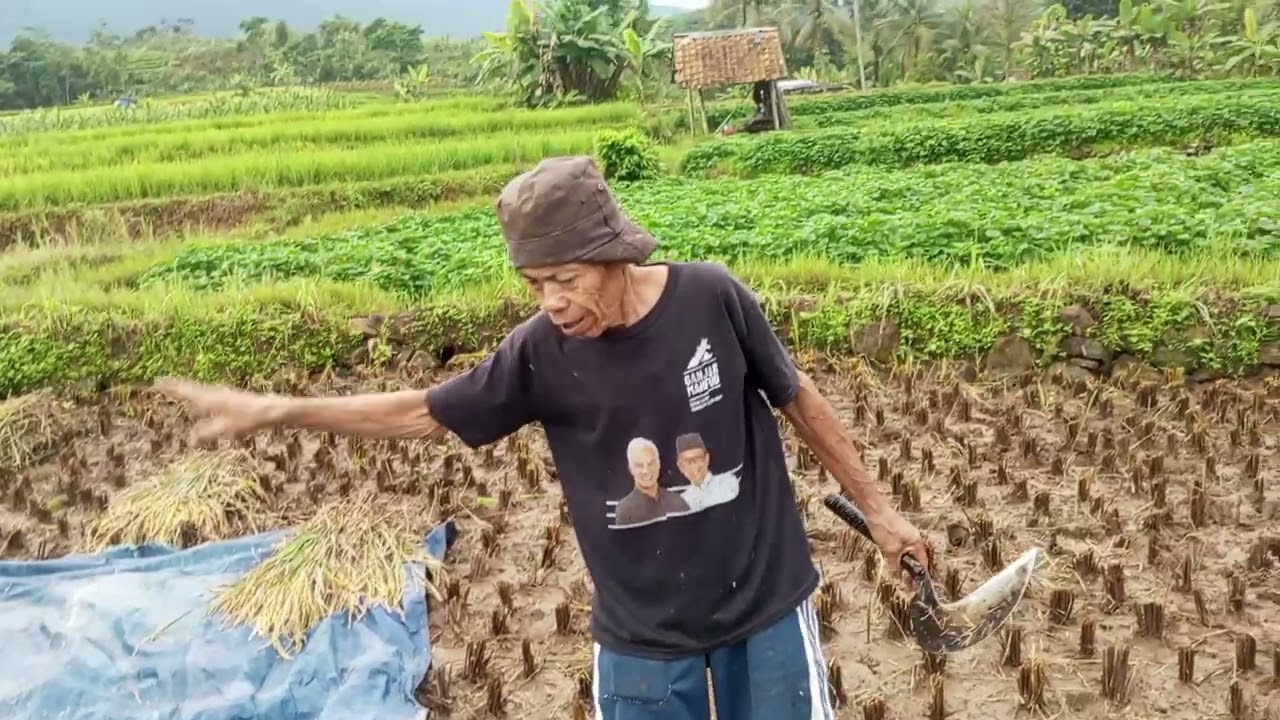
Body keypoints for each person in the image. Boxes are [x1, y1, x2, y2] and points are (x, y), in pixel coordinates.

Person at [155, 155, 930, 720]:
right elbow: (425, 412)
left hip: (764, 610)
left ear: (613, 256)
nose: (552, 302)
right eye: (535, 284)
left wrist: (882, 513)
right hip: (641, 636)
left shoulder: (711, 298)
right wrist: (280, 410)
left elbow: (798, 399)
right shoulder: (539, 352)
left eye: (566, 279)